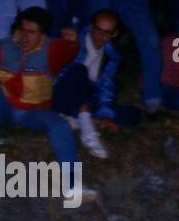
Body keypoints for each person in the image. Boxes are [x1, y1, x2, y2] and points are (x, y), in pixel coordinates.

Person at [0, 6, 80, 165]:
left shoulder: (52, 50)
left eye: (31, 32)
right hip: (4, 108)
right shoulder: (2, 47)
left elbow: (69, 52)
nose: (24, 36)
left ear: (42, 35)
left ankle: (73, 183)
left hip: (35, 113)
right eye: (22, 30)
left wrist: (72, 42)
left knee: (60, 126)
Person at [52, 9, 138, 159]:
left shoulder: (112, 57)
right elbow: (58, 75)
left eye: (107, 33)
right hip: (62, 94)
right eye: (98, 30)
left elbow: (106, 89)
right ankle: (88, 131)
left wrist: (106, 116)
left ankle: (83, 119)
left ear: (114, 34)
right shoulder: (74, 40)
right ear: (91, 26)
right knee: (79, 71)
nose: (101, 36)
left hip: (87, 100)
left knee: (132, 114)